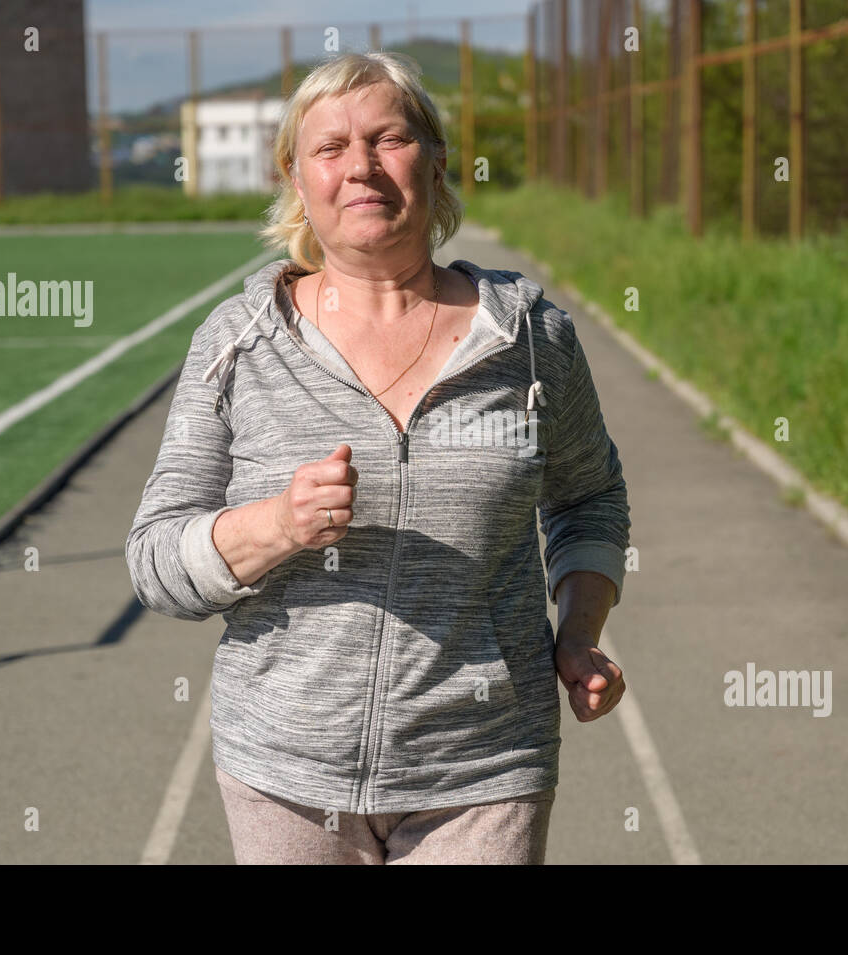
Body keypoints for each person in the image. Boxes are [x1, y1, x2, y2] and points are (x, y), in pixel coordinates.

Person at [125, 51, 631, 865]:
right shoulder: (238, 344)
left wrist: (578, 629)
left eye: (387, 139)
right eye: (329, 148)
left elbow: (590, 498)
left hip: (484, 768)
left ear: (434, 162)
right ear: (296, 177)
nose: (360, 166)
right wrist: (278, 524)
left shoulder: (532, 337)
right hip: (286, 776)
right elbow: (154, 560)